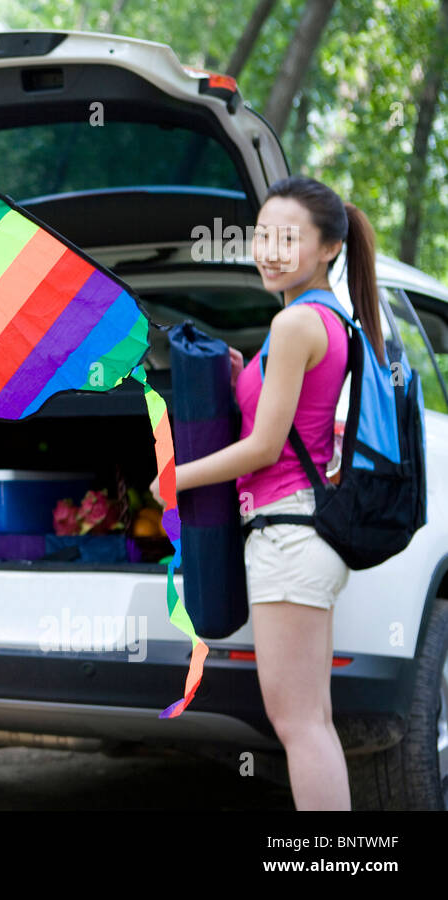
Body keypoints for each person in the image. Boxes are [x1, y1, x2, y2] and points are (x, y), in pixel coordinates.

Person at [151, 175, 386, 811]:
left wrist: (175, 481)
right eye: (262, 236)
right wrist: (242, 373)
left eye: (288, 238)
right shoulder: (327, 320)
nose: (270, 250)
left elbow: (263, 448)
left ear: (329, 247)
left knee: (299, 727)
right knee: (312, 722)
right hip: (303, 536)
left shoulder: (294, 325)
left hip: (288, 537)